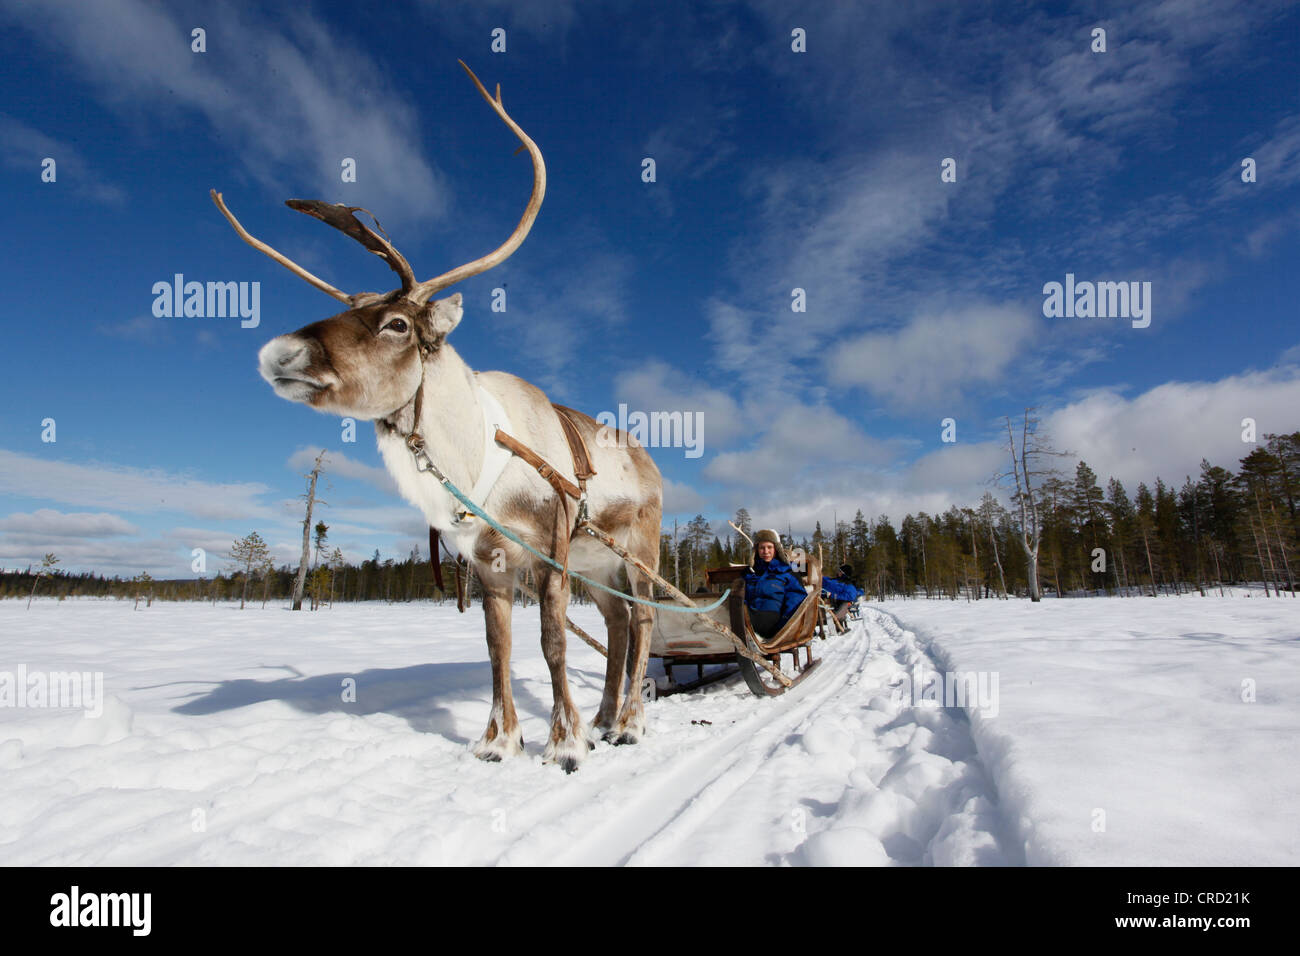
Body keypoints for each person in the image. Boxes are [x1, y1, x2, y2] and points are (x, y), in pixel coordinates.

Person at [744, 529, 808, 639]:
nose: (766, 551)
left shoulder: (787, 572)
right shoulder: (750, 573)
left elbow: (796, 600)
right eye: (762, 548)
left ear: (776, 549)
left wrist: (784, 625)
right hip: (750, 618)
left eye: (769, 547)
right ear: (757, 550)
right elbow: (742, 597)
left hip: (774, 620)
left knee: (740, 617)